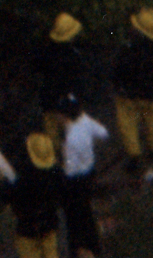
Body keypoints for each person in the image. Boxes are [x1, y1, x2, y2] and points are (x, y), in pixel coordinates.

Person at [112, 8, 153, 183]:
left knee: (128, 125)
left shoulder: (128, 49)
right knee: (152, 122)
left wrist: (118, 86)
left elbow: (117, 69)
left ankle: (134, 156)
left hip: (128, 96)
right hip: (151, 94)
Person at [57, 93, 108, 258]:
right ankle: (95, 248)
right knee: (87, 215)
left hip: (75, 182)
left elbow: (69, 170)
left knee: (75, 221)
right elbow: (103, 133)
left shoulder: (71, 139)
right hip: (89, 173)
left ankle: (79, 251)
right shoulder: (85, 120)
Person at [33, 13, 88, 147]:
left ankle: (53, 159)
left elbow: (38, 69)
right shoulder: (73, 55)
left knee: (51, 133)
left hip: (48, 100)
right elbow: (78, 80)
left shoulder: (46, 52)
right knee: (72, 132)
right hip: (67, 102)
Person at [6, 133, 65, 258]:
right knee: (51, 253)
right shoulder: (56, 172)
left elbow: (7, 196)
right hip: (50, 223)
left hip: (27, 228)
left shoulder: (21, 175)